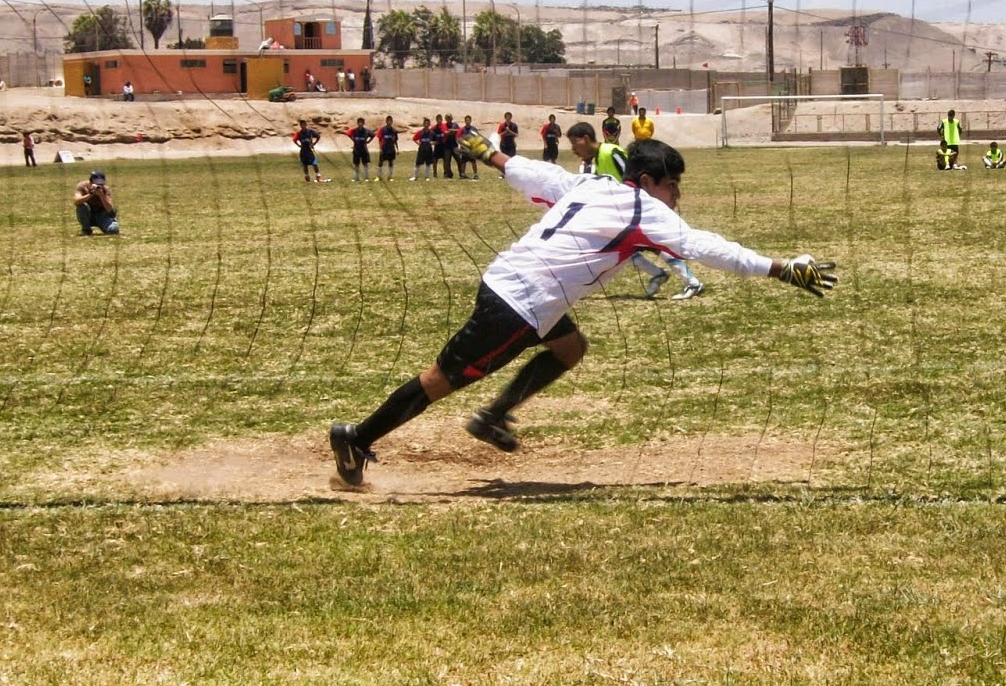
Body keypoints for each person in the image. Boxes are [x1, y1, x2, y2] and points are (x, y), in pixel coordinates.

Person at [327, 132, 837, 488]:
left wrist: (491, 156)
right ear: (647, 180)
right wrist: (781, 268)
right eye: (673, 183)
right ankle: (358, 437)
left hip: (517, 287)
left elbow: (538, 174)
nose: (677, 193)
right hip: (521, 304)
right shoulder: (643, 209)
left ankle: (494, 415)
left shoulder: (593, 184)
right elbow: (705, 246)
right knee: (442, 379)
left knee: (570, 348)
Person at [568, 121, 705, 299]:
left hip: (636, 206)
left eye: (574, 143)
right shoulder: (597, 160)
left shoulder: (610, 151)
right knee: (624, 246)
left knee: (656, 242)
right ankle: (659, 274)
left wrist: (642, 202)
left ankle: (692, 282)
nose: (573, 149)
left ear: (585, 139)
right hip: (624, 211)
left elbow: (632, 173)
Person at [73, 170, 119, 235]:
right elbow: (76, 201)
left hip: (102, 215)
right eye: (96, 182)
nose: (99, 185)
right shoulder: (82, 186)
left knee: (113, 230)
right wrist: (90, 194)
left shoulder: (105, 189)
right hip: (88, 215)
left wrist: (101, 195)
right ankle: (86, 229)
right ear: (90, 181)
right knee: (82, 206)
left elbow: (109, 209)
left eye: (101, 183)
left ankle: (110, 224)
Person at [346, 116, 376, 182]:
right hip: (356, 149)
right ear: (357, 123)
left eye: (362, 122)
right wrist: (353, 140)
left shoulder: (366, 131)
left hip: (364, 149)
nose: (360, 124)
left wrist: (368, 141)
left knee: (365, 164)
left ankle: (366, 178)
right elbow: (347, 133)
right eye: (359, 122)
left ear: (363, 123)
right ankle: (356, 178)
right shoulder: (354, 131)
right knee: (356, 164)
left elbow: (373, 134)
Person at [410, 117, 437, 181]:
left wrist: (433, 143)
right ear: (423, 124)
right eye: (425, 123)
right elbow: (414, 138)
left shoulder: (432, 133)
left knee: (428, 164)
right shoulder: (420, 132)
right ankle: (415, 177)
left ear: (429, 124)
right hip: (421, 150)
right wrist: (419, 143)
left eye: (427, 123)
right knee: (418, 163)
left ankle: (427, 177)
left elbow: (436, 141)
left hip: (429, 150)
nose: (426, 125)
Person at [456, 115, 481, 179]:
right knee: (463, 161)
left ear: (470, 121)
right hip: (464, 148)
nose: (467, 121)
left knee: (473, 161)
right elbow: (458, 138)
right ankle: (463, 174)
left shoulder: (473, 129)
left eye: (468, 120)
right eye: (466, 120)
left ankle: (475, 174)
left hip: (471, 148)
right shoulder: (462, 129)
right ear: (465, 121)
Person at [377, 115, 400, 181]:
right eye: (388, 121)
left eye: (390, 121)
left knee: (391, 162)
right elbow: (379, 139)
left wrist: (397, 149)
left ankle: (390, 177)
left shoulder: (394, 131)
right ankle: (379, 177)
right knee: (380, 162)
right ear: (386, 121)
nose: (389, 122)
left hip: (391, 149)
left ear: (392, 122)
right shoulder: (382, 130)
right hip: (384, 148)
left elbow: (395, 141)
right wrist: (380, 148)